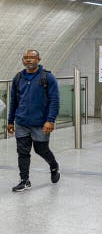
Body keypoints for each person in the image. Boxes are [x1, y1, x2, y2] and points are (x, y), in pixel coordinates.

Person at [7, 50, 60, 192]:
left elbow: (54, 100)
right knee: (22, 152)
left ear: (38, 59)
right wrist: (11, 121)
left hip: (40, 123)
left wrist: (50, 120)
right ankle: (24, 180)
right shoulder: (18, 78)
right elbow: (14, 101)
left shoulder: (48, 77)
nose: (28, 60)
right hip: (21, 122)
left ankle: (54, 166)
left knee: (41, 149)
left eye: (32, 57)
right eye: (26, 57)